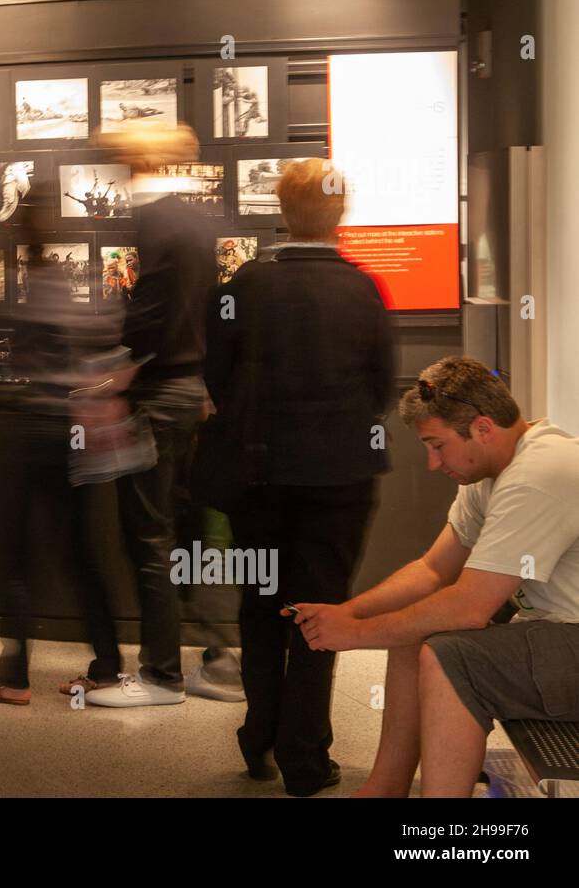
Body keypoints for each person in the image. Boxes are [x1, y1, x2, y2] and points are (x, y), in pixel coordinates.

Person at [294, 356, 579, 799]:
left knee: (452, 657)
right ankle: (385, 787)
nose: (432, 463)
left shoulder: (538, 475)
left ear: (483, 428)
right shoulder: (488, 475)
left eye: (437, 445)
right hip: (557, 632)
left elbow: (469, 606)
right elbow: (432, 570)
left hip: (571, 637)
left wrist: (355, 634)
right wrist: (347, 612)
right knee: (415, 630)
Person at [204, 158, 393, 796]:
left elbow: (218, 379)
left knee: (261, 605)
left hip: (256, 474)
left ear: (281, 213)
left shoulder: (245, 285)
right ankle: (305, 757)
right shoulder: (364, 290)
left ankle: (258, 736)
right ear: (339, 214)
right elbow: (380, 390)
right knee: (321, 613)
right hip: (339, 480)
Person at [0, 194, 148, 706]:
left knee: (16, 555)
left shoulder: (24, 286)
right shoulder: (80, 287)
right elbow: (109, 344)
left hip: (24, 429)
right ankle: (109, 662)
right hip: (67, 432)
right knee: (80, 554)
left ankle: (14, 677)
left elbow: (13, 364)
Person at [84, 124, 233, 709]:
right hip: (185, 392)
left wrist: (106, 380)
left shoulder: (158, 220)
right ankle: (212, 661)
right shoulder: (193, 221)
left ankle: (161, 675)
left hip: (157, 396)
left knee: (148, 536)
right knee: (181, 531)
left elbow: (150, 321)